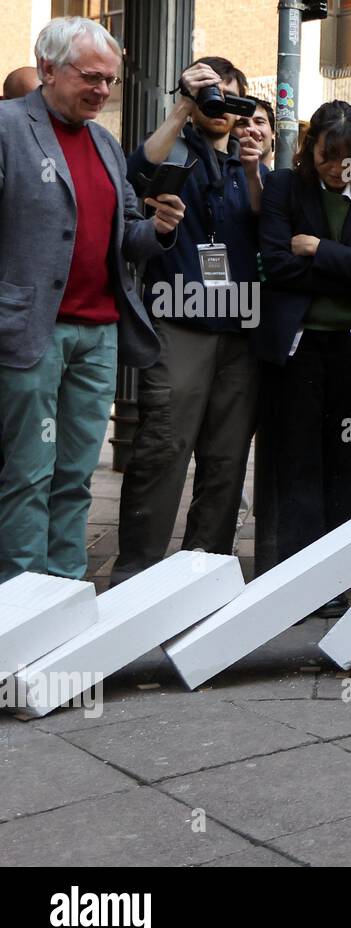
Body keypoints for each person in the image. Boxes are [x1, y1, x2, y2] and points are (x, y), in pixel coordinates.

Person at [0, 16, 184, 584]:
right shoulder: (7, 128)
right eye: (92, 78)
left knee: (76, 473)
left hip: (98, 333)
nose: (103, 91)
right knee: (28, 472)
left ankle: (64, 593)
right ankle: (21, 604)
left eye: (110, 81)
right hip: (32, 331)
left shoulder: (106, 143)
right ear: (49, 68)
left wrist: (157, 229)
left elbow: (126, 231)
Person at [111, 57, 267, 586]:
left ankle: (204, 579)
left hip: (241, 330)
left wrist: (252, 167)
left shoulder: (254, 164)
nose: (220, 107)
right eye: (212, 96)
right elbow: (134, 171)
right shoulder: (175, 148)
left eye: (230, 97)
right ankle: (135, 577)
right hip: (179, 321)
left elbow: (270, 224)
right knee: (163, 449)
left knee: (225, 462)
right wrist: (183, 102)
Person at [256, 101, 351, 616]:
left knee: (346, 466)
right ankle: (299, 579)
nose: (338, 169)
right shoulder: (283, 189)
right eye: (326, 156)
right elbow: (275, 266)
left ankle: (337, 579)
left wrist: (317, 249)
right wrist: (350, 270)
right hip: (298, 351)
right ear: (308, 148)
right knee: (297, 465)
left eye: (349, 159)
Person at [233, 96, 275, 164]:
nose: (252, 129)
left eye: (259, 122)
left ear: (273, 132)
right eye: (242, 123)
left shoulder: (288, 174)